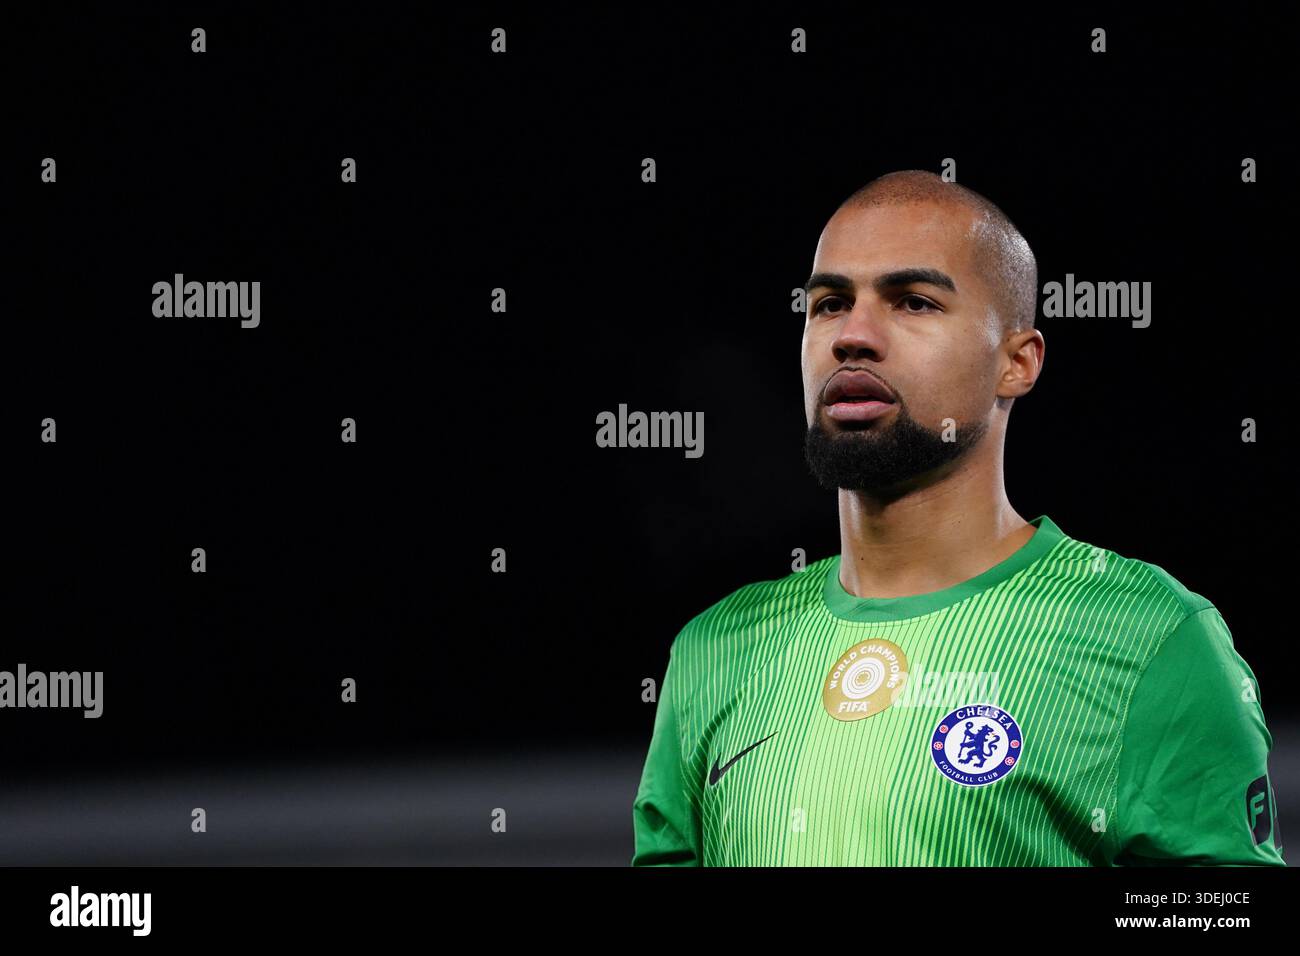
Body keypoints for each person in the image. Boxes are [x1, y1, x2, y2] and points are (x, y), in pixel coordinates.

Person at [630, 170, 1285, 866]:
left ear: (1017, 362)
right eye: (828, 303)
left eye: (911, 301)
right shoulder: (713, 651)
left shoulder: (1155, 638)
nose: (852, 335)